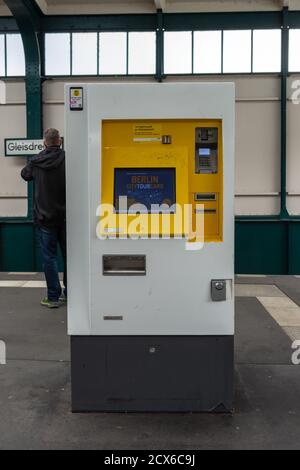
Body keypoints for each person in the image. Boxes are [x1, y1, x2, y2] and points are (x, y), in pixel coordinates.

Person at [21, 128, 67, 308]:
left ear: (45, 143)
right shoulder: (68, 158)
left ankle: (53, 297)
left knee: (50, 257)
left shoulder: (36, 160)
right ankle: (70, 293)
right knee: (70, 256)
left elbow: (25, 175)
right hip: (66, 217)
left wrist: (40, 154)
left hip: (44, 217)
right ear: (60, 141)